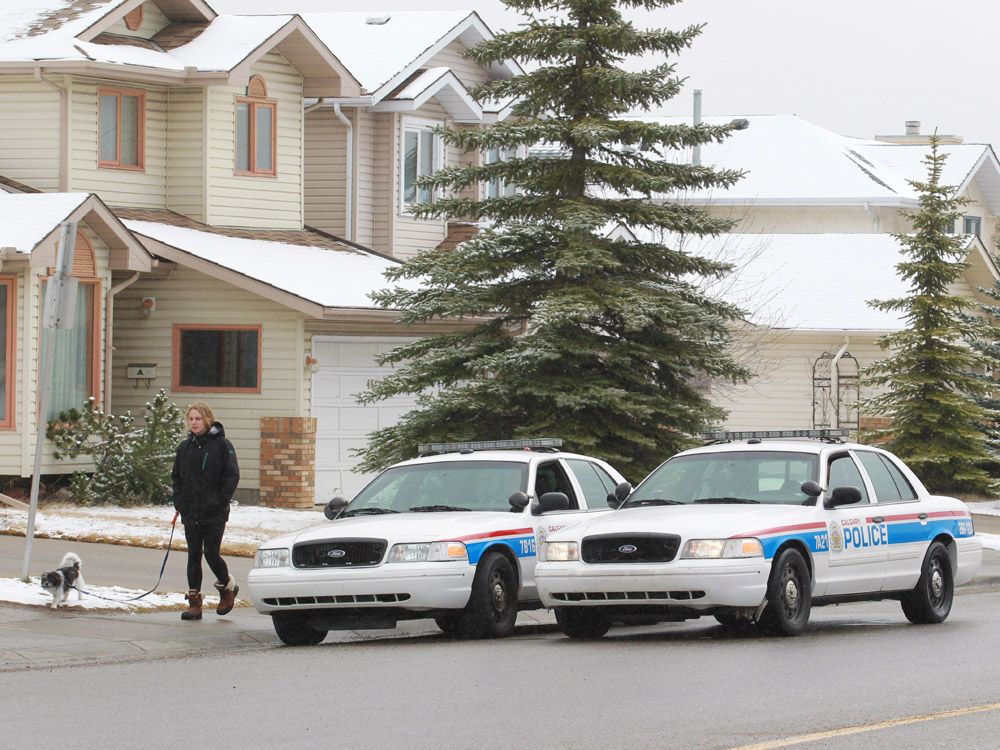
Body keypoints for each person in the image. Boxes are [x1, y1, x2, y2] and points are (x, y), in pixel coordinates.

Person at [171, 402, 240, 621]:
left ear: (207, 419)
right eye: (190, 419)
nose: (194, 423)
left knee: (211, 552)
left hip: (215, 511)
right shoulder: (185, 447)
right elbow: (177, 478)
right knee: (193, 554)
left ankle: (226, 588)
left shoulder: (222, 445)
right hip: (191, 510)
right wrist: (179, 501)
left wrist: (220, 499)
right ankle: (194, 603)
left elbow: (232, 475)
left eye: (198, 419)